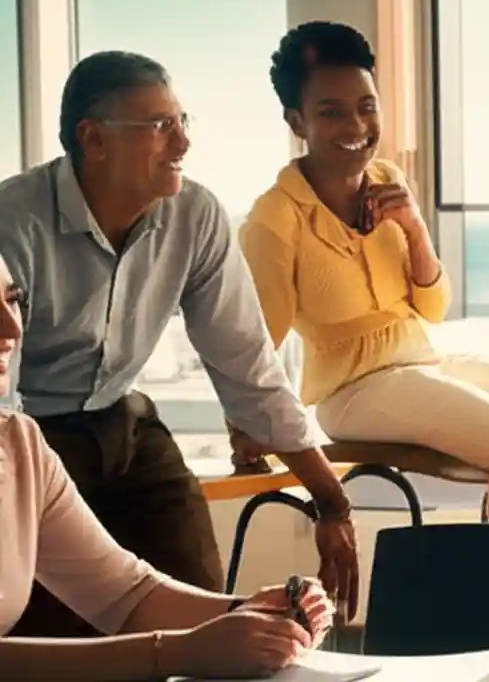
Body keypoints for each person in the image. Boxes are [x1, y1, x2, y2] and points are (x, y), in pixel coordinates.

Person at [0, 50, 359, 636]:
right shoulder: (12, 222)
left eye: (183, 122)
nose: (183, 144)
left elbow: (248, 368)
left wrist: (330, 500)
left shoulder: (195, 216)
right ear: (93, 140)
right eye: (160, 126)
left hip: (125, 423)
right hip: (33, 438)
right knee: (55, 631)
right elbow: (1, 400)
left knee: (205, 608)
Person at [238, 21, 489, 530]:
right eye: (331, 112)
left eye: (367, 107)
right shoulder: (275, 219)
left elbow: (433, 307)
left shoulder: (388, 180)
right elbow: (257, 342)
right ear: (297, 122)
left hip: (426, 361)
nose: (356, 126)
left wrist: (413, 226)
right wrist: (245, 431)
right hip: (353, 391)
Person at [0, 251, 336, 680]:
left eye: (13, 301)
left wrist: (253, 611)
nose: (11, 329)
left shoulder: (20, 444)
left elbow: (124, 593)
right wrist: (176, 653)